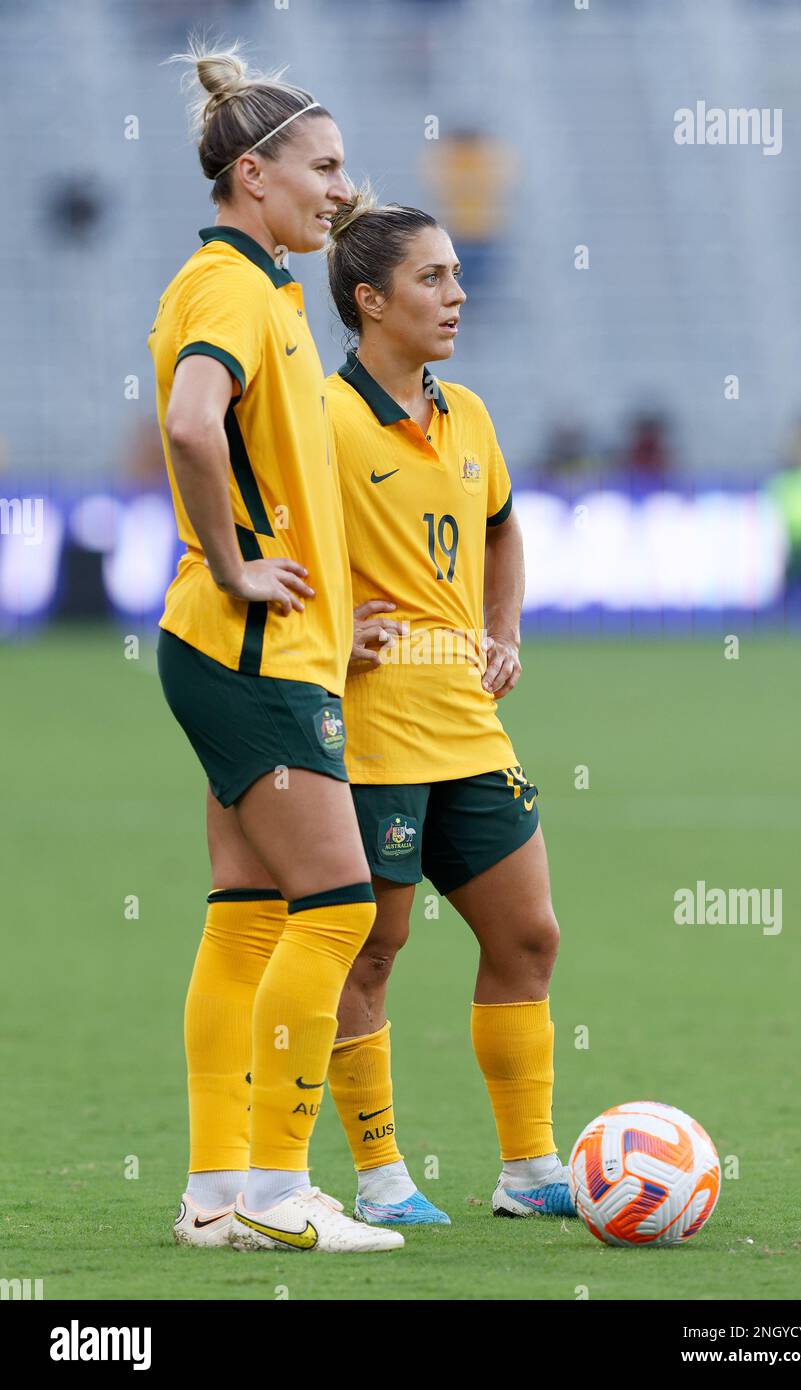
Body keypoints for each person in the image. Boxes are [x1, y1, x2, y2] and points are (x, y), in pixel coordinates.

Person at [207, 183, 573, 1225]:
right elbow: (248, 536)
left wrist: (503, 630)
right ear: (370, 299)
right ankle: (380, 1175)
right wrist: (329, 638)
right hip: (364, 731)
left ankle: (527, 1169)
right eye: (433, 278)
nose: (456, 295)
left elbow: (500, 526)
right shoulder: (315, 417)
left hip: (465, 717)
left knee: (529, 935)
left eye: (455, 275)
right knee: (370, 946)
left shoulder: (469, 414)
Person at [148, 41, 402, 1254]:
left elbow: (253, 460)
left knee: (249, 911)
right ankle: (277, 1192)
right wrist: (240, 563)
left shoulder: (263, 287)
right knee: (340, 905)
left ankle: (212, 1192)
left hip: (257, 641)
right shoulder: (231, 289)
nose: (342, 191)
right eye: (326, 168)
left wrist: (320, 595)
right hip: (246, 644)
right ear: (255, 173)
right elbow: (194, 424)